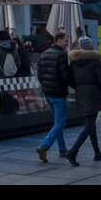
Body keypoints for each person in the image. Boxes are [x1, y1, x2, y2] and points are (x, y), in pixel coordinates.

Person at [65, 36, 101, 166]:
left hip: (81, 92)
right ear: (90, 46)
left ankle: (97, 152)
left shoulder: (74, 61)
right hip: (93, 93)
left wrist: (78, 87)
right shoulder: (95, 61)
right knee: (89, 125)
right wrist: (100, 90)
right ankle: (73, 151)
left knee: (90, 123)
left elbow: (70, 78)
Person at [34, 30, 72, 160]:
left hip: (48, 93)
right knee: (60, 123)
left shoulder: (44, 53)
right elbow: (65, 76)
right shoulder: (61, 55)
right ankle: (44, 146)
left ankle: (62, 149)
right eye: (66, 41)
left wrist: (45, 86)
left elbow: (39, 74)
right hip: (59, 93)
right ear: (59, 40)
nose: (67, 44)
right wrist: (75, 85)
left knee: (57, 122)